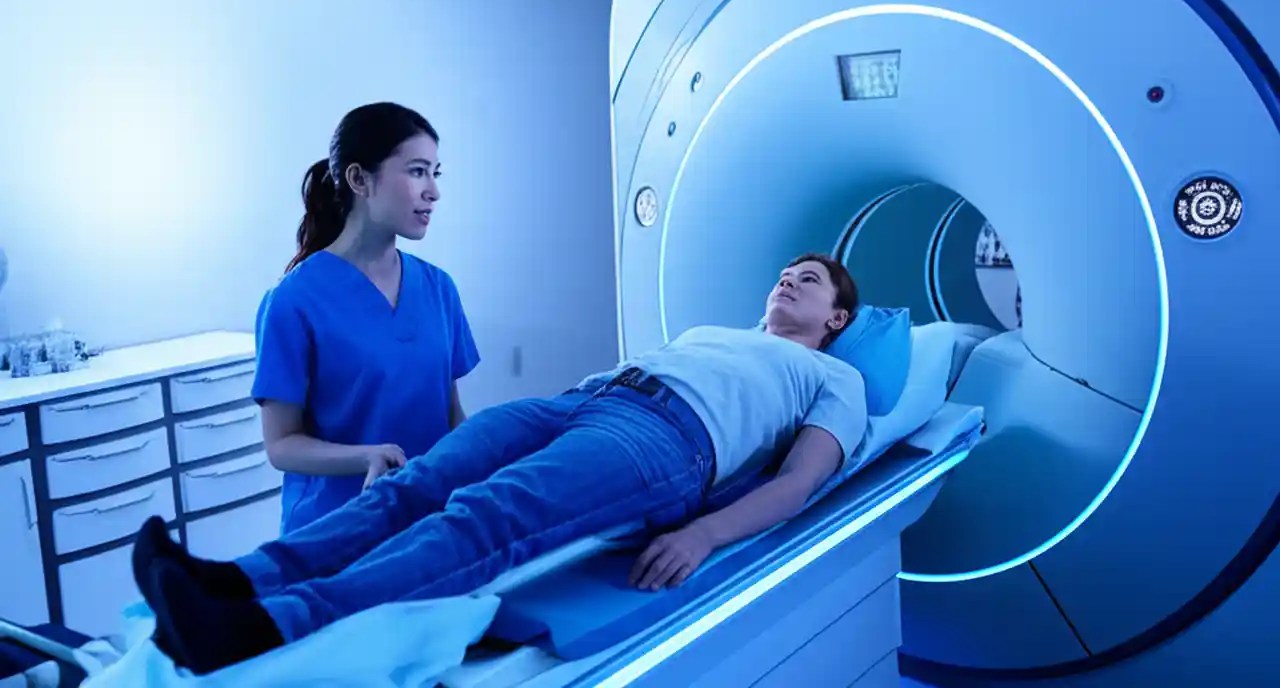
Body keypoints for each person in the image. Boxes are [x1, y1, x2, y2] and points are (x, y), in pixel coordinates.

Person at [130, 253, 868, 675]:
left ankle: (263, 627)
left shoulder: (836, 379)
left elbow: (799, 482)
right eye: (784, 273)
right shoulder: (715, 331)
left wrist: (705, 535)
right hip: (586, 398)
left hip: (665, 441)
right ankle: (234, 579)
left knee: (484, 516)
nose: (787, 280)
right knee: (414, 485)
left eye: (809, 279)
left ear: (836, 318)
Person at [251, 102, 480, 534]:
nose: (433, 191)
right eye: (416, 171)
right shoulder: (294, 301)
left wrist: (485, 462)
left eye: (435, 173)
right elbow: (281, 445)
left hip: (425, 522)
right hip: (331, 532)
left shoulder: (437, 289)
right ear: (359, 179)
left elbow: (450, 417)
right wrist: (365, 456)